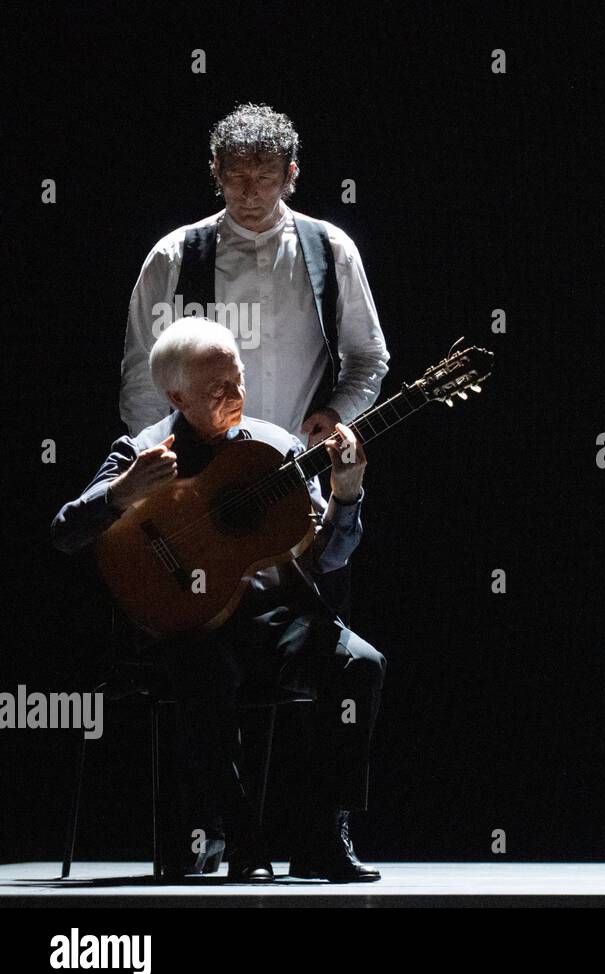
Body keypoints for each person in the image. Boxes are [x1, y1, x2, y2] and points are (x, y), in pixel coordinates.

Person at [53, 318, 386, 882]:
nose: (235, 398)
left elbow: (325, 557)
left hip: (274, 622)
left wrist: (345, 495)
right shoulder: (140, 451)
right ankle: (239, 840)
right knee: (199, 670)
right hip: (189, 629)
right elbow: (65, 531)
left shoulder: (276, 449)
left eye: (239, 382)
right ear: (176, 396)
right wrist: (122, 492)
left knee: (361, 664)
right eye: (217, 390)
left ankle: (323, 835)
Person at [119, 102, 390, 447]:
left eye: (264, 178)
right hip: (203, 476)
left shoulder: (333, 250)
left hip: (300, 467)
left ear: (290, 174)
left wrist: (338, 412)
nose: (250, 193)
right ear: (217, 170)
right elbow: (143, 377)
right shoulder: (172, 257)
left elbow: (368, 356)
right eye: (237, 176)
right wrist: (165, 467)